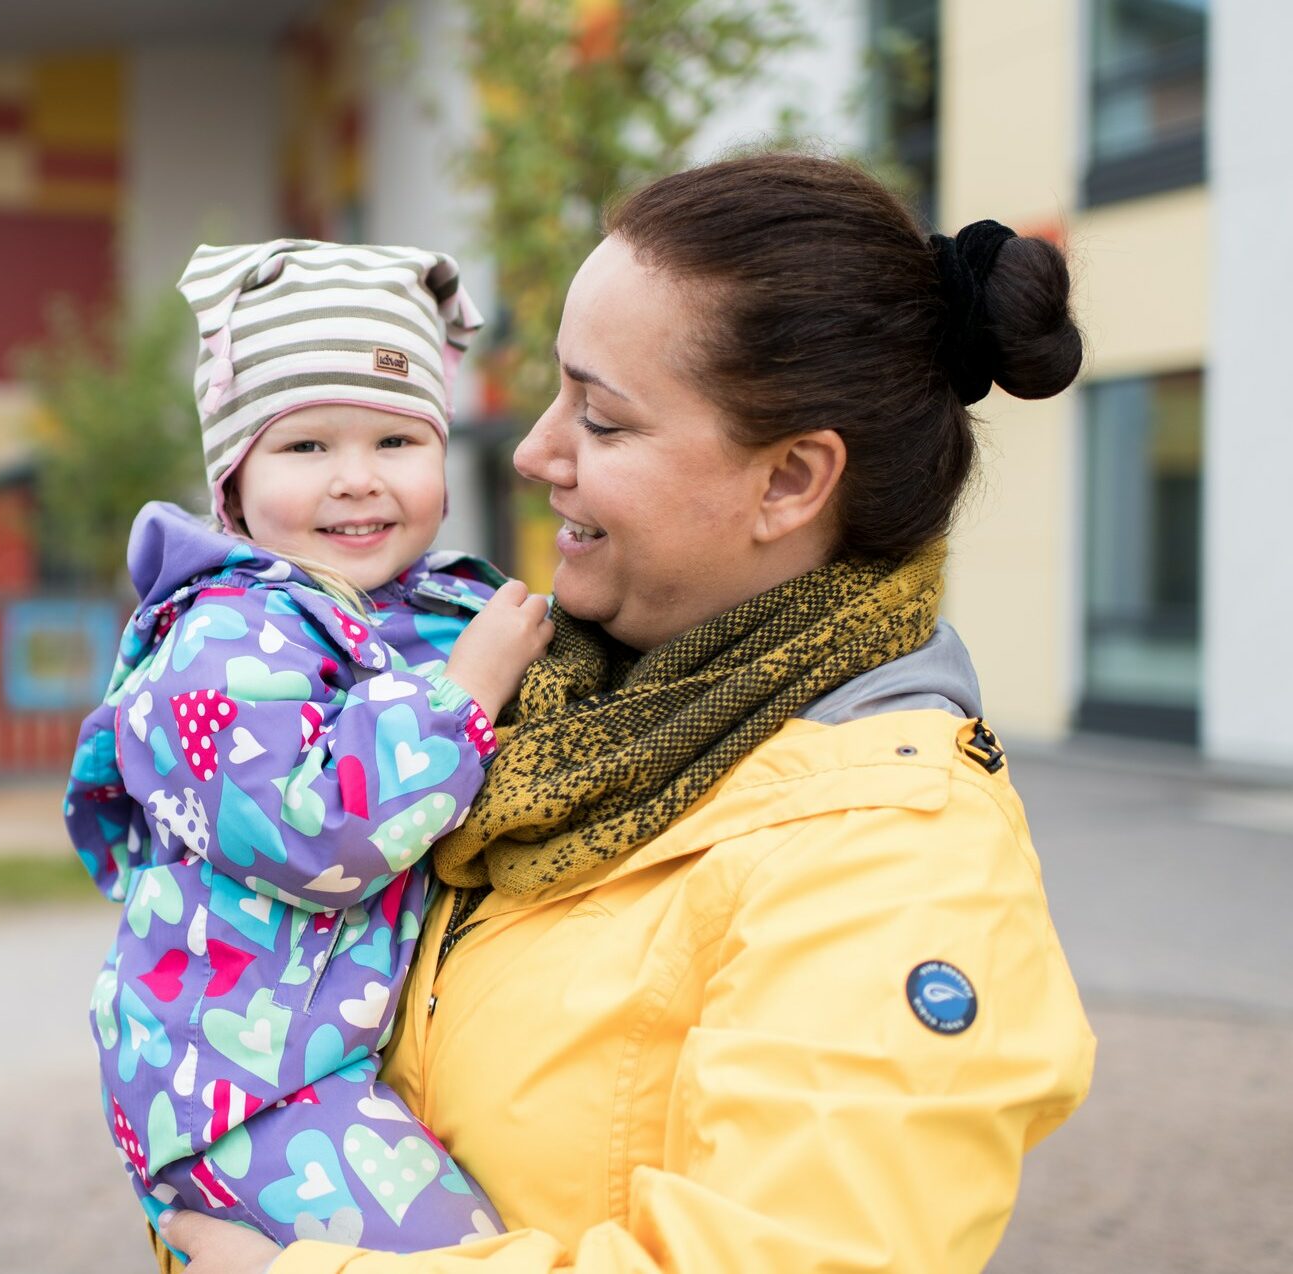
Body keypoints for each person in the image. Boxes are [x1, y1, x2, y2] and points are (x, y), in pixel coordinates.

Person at [159, 153, 1099, 1273]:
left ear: (790, 480)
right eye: (556, 391)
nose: (531, 451)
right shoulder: (551, 712)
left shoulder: (890, 857)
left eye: (600, 421)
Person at [64, 239, 555, 1258]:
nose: (356, 481)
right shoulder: (224, 637)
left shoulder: (430, 603)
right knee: (449, 1254)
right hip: (238, 1085)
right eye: (305, 448)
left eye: (393, 440)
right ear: (233, 486)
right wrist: (465, 694)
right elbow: (311, 833)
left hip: (333, 1048)